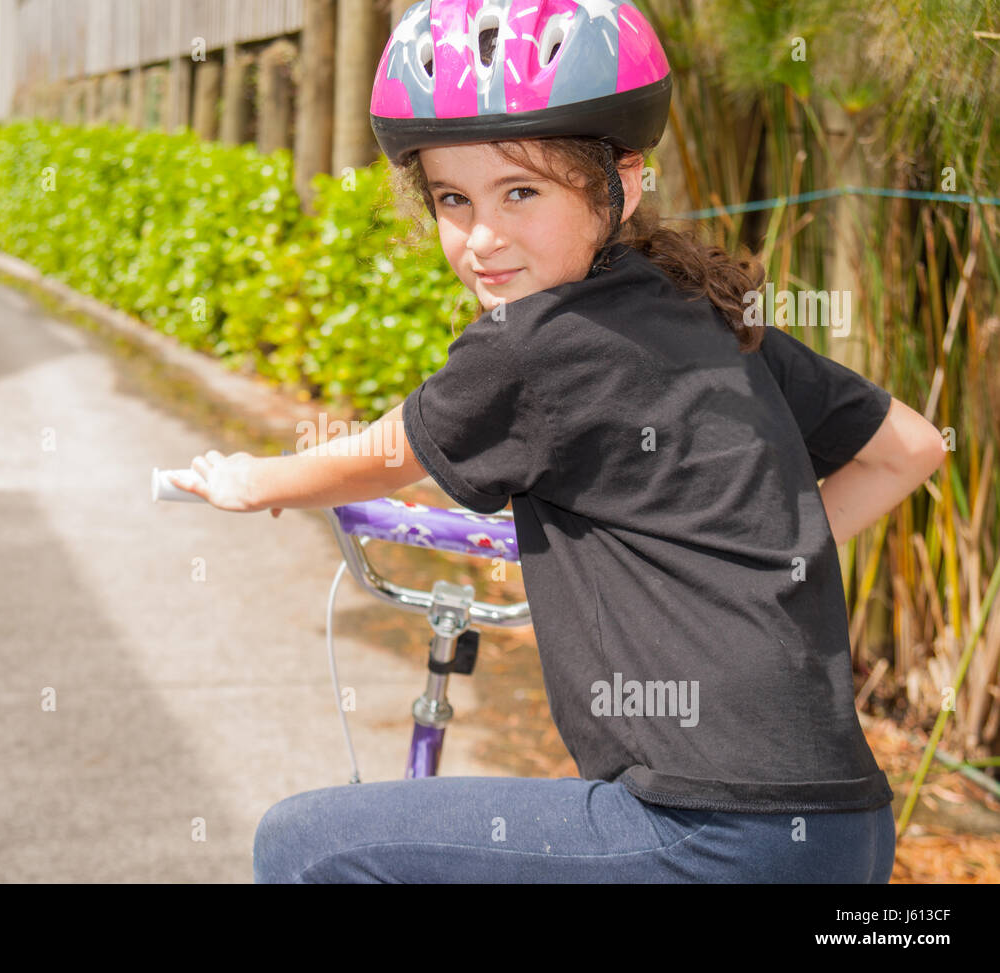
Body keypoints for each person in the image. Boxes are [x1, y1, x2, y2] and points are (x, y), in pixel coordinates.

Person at [168, 0, 945, 883]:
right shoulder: (713, 309)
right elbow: (910, 449)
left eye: (522, 192)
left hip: (708, 833)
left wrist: (258, 479)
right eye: (453, 199)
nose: (483, 238)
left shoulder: (535, 342)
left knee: (308, 844)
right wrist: (741, 565)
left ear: (623, 180)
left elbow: (391, 452)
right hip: (845, 835)